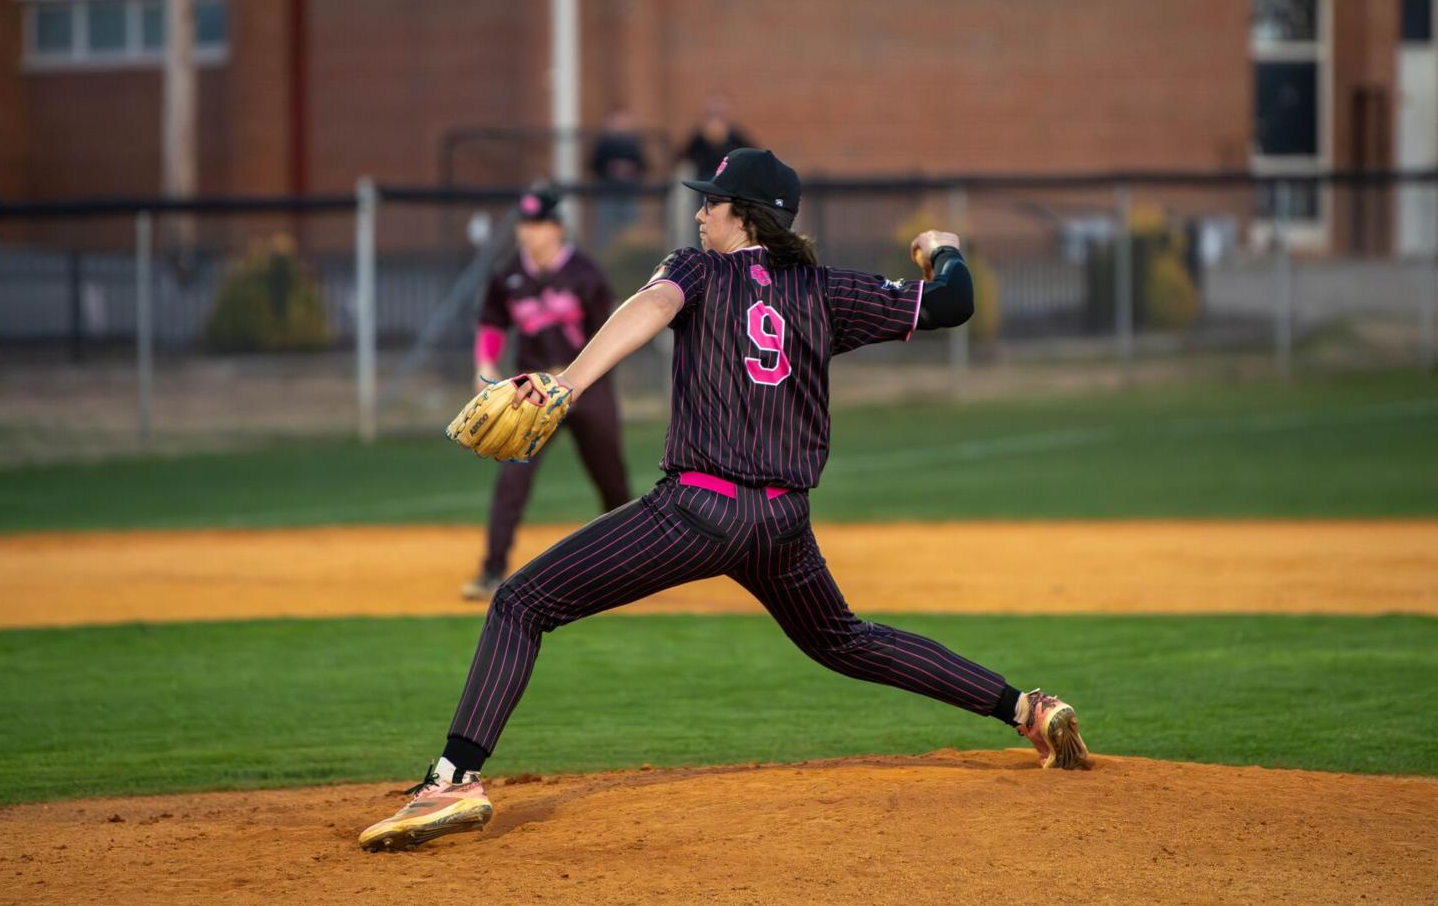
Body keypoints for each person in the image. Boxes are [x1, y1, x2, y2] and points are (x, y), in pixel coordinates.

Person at [360, 149, 1088, 852]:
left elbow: (651, 305)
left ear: (741, 215)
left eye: (709, 202)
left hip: (697, 514)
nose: (700, 213)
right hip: (781, 523)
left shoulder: (698, 271)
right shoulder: (825, 290)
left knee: (521, 603)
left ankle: (454, 780)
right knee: (843, 638)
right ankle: (1027, 708)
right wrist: (944, 247)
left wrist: (567, 382)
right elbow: (954, 303)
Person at [461, 186, 631, 600]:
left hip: (588, 390)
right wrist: (485, 365)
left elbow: (609, 335)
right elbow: (492, 326)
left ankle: (630, 566)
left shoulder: (585, 274)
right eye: (525, 224)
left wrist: (573, 375)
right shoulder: (508, 277)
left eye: (538, 224)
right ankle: (492, 570)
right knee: (512, 480)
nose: (529, 233)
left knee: (611, 480)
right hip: (532, 394)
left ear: (557, 228)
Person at [588, 107, 647, 252]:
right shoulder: (604, 143)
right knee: (606, 230)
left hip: (629, 193)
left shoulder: (635, 144)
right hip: (608, 193)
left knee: (630, 229)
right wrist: (611, 169)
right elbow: (594, 165)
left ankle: (628, 255)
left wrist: (629, 169)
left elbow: (644, 165)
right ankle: (606, 255)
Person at [676, 97, 751, 182]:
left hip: (728, 179)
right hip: (704, 179)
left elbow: (749, 151)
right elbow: (684, 155)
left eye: (719, 114)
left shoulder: (735, 135)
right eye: (712, 114)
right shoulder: (698, 136)